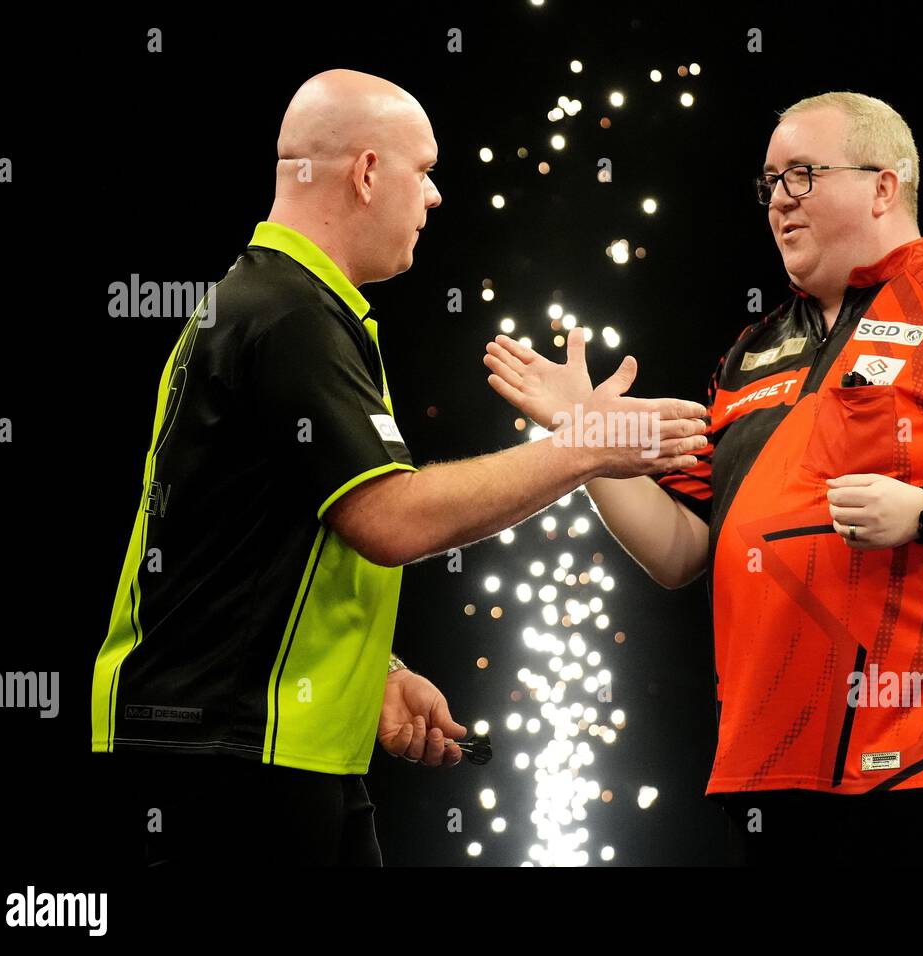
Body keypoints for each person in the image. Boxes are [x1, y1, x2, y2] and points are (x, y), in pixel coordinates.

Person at [91, 69, 707, 867]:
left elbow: (255, 537)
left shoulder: (282, 306)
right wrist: (587, 444)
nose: (437, 196)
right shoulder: (290, 316)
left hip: (261, 750)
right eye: (425, 170)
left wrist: (376, 672)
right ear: (368, 172)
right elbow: (391, 519)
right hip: (225, 760)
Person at [483, 90, 923, 866]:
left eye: (804, 175)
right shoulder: (748, 353)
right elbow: (683, 552)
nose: (779, 200)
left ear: (884, 186)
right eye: (771, 182)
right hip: (766, 767)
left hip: (922, 765)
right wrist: (583, 445)